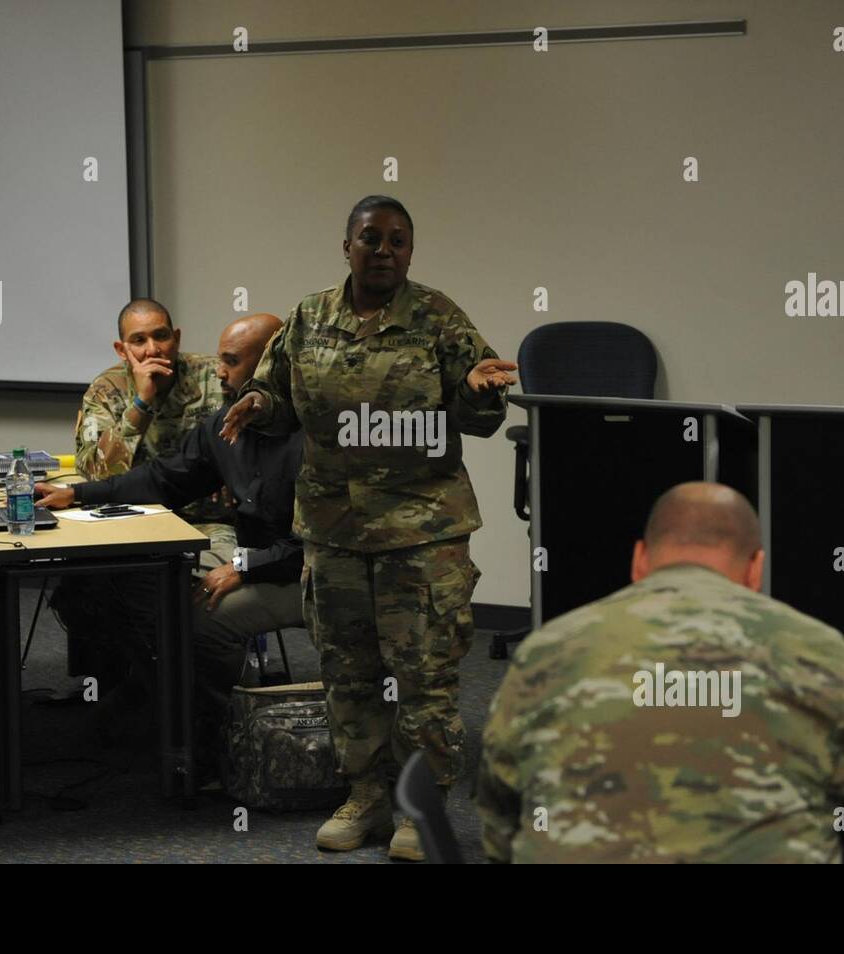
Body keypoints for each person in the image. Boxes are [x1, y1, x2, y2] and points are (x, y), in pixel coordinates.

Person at [221, 195, 518, 861]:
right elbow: (276, 395)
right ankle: (364, 796)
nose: (384, 250)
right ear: (346, 245)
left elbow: (483, 410)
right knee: (347, 669)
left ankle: (421, 807)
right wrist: (257, 403)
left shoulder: (438, 319)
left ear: (411, 251)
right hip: (333, 530)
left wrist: (474, 389)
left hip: (423, 533)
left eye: (397, 240)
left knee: (423, 676)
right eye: (370, 238)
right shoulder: (309, 318)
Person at [476, 482, 844, 864]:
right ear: (755, 570)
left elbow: (499, 820)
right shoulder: (824, 653)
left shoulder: (548, 650)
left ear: (639, 560)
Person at [38, 314, 301, 706]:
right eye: (219, 361)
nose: (220, 373)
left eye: (230, 362)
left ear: (268, 365)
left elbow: (322, 544)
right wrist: (78, 494)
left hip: (310, 576)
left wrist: (247, 567)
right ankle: (161, 700)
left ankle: (223, 726)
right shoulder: (225, 427)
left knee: (199, 618)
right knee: (122, 585)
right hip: (261, 562)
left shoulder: (314, 434)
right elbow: (163, 480)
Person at [54, 299, 241, 694]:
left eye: (160, 336)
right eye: (138, 341)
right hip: (131, 520)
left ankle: (185, 692)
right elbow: (96, 472)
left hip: (209, 523)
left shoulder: (214, 376)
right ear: (122, 350)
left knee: (171, 587)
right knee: (85, 585)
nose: (152, 349)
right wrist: (140, 405)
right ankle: (131, 686)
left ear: (176, 338)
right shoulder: (108, 389)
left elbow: (255, 444)